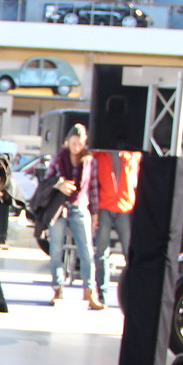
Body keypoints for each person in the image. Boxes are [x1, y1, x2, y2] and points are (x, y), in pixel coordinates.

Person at [45, 123, 105, 309]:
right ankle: (58, 289)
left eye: (79, 143)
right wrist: (58, 184)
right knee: (56, 249)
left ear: (84, 142)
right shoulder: (58, 158)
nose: (76, 146)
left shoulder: (89, 161)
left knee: (86, 250)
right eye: (73, 142)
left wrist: (95, 213)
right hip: (59, 207)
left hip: (80, 206)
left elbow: (93, 187)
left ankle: (89, 292)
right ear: (67, 141)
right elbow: (46, 181)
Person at [91, 149, 139, 308]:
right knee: (102, 252)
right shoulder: (100, 155)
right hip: (105, 206)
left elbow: (136, 181)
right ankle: (102, 294)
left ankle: (131, 292)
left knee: (129, 253)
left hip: (125, 207)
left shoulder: (131, 156)